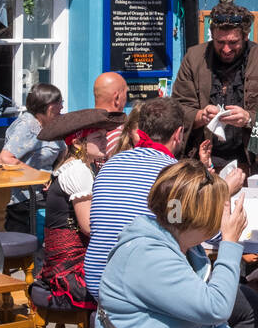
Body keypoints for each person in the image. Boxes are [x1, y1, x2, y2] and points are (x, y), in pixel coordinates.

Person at [87, 161, 254, 328]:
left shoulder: (187, 250)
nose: (224, 216)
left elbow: (196, 310)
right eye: (220, 209)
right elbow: (215, 307)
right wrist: (230, 242)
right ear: (200, 216)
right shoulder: (147, 254)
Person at [84, 98, 244, 300]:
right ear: (178, 134)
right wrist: (223, 193)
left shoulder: (110, 165)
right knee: (245, 305)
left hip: (99, 281)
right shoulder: (172, 176)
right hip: (142, 286)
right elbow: (183, 229)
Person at [32, 109, 125, 311]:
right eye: (98, 137)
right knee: (129, 290)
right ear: (77, 142)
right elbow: (89, 227)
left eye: (105, 137)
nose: (104, 141)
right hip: (69, 272)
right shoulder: (77, 171)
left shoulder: (79, 166)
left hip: (65, 264)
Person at [170, 1, 258, 175]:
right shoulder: (194, 58)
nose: (226, 49)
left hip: (251, 163)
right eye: (220, 42)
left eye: (233, 42)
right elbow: (176, 109)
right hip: (201, 162)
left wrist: (248, 119)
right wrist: (201, 116)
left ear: (246, 36)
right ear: (212, 35)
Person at [0, 82, 64, 234]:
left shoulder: (51, 124)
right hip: (23, 194)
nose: (62, 107)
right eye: (59, 103)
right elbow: (5, 158)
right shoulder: (27, 125)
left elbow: (62, 155)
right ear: (49, 106)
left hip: (44, 190)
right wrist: (40, 177)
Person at [92, 72, 129, 161]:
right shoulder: (120, 136)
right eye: (126, 93)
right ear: (117, 98)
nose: (126, 98)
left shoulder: (84, 130)